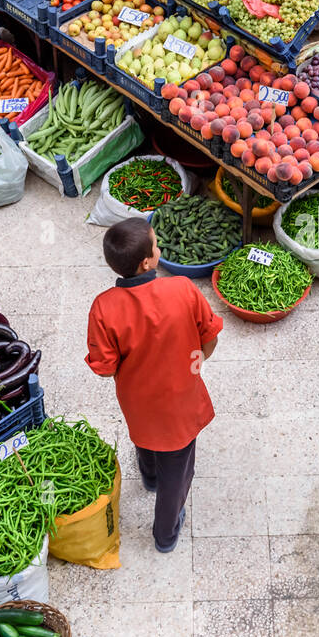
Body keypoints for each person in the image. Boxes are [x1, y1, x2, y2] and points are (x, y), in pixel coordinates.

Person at [85, 218, 223, 553]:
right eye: (156, 243)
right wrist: (195, 362)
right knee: (177, 470)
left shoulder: (103, 307)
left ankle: (148, 477)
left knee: (145, 435)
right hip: (179, 399)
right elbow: (210, 336)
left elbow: (104, 369)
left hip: (137, 400)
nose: (160, 248)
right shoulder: (182, 289)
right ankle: (166, 534)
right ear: (148, 261)